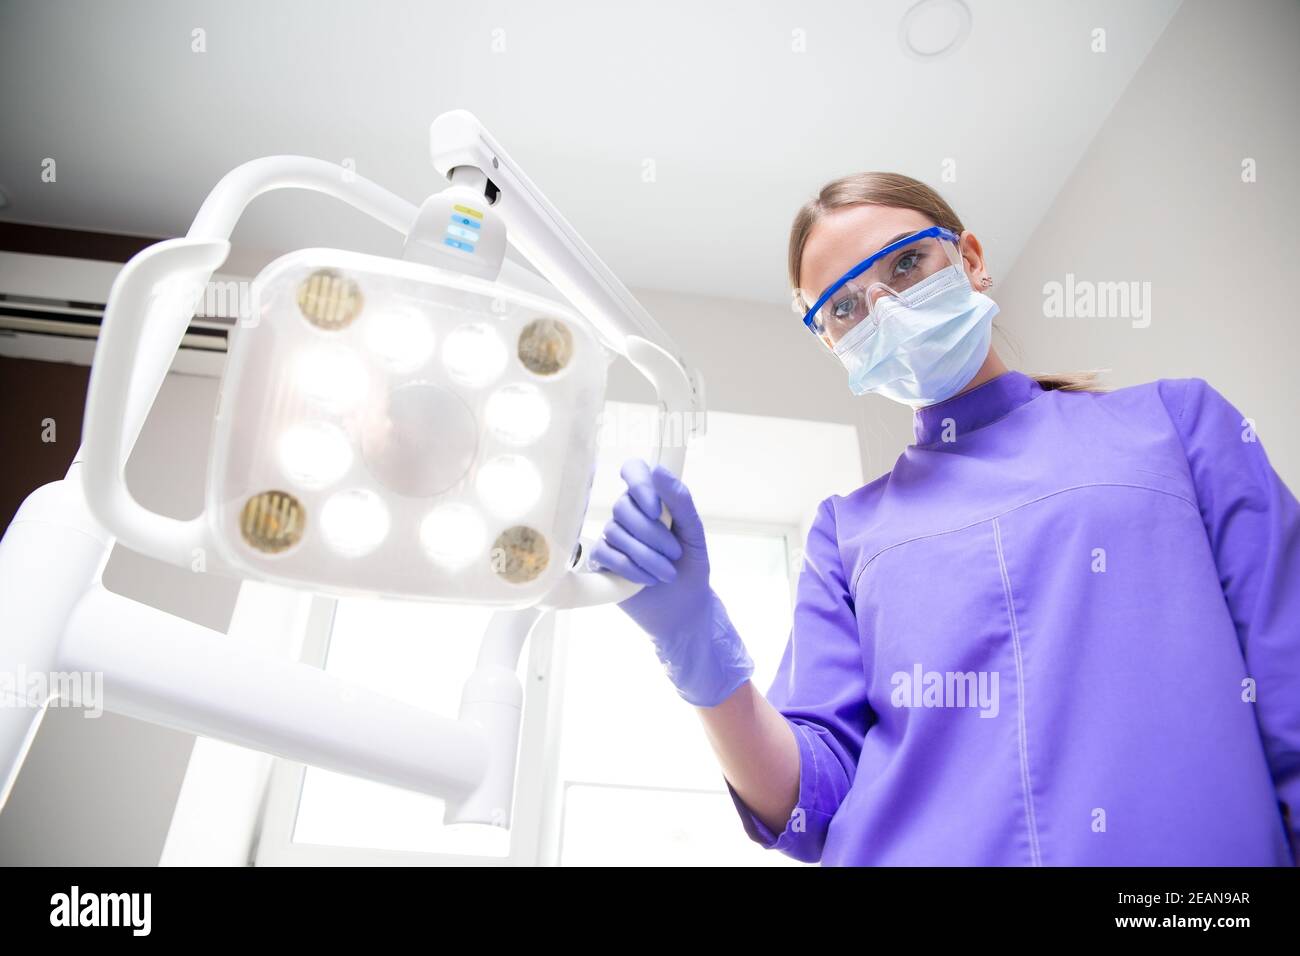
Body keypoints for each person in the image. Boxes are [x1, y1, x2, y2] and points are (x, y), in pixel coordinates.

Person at [588, 172, 1300, 866]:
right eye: (844, 309)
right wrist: (696, 647)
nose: (885, 311)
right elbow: (808, 806)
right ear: (832, 345)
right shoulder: (848, 533)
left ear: (970, 260)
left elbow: (1288, 676)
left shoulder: (1175, 425)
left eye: (905, 265)